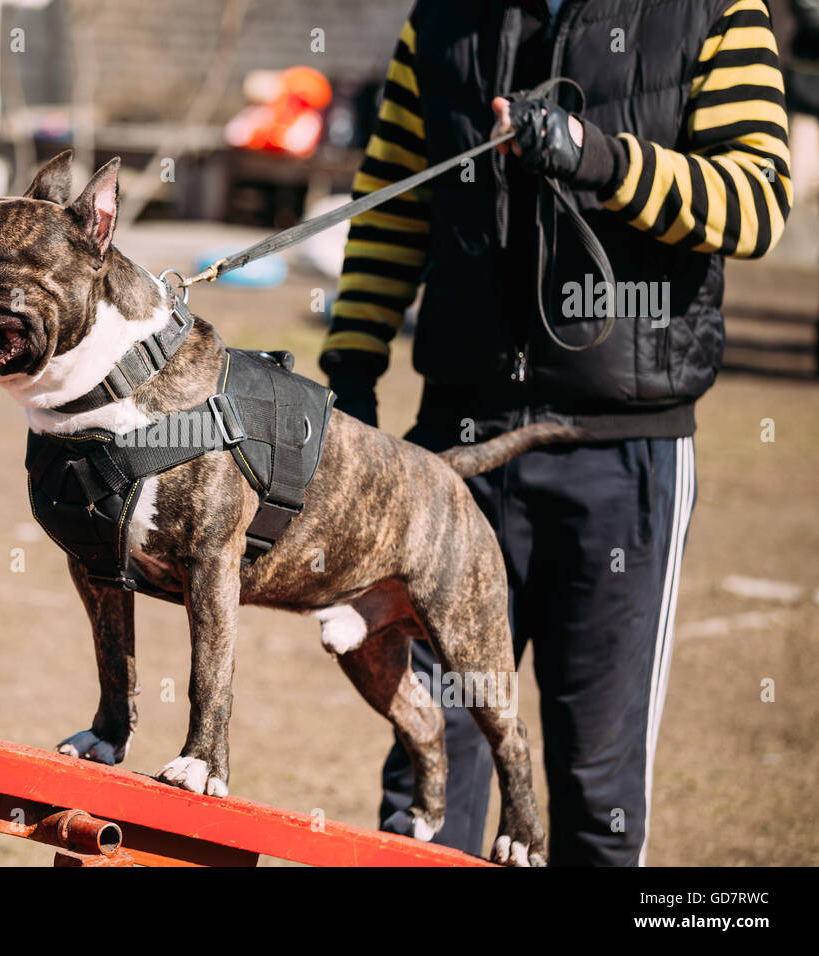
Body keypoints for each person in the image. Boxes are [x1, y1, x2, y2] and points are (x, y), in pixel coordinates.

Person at [321, 0, 792, 866]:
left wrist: (595, 158)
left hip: (620, 448)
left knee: (593, 788)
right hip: (450, 458)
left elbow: (756, 203)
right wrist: (351, 374)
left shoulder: (717, 10)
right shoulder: (441, 18)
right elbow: (390, 208)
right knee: (430, 767)